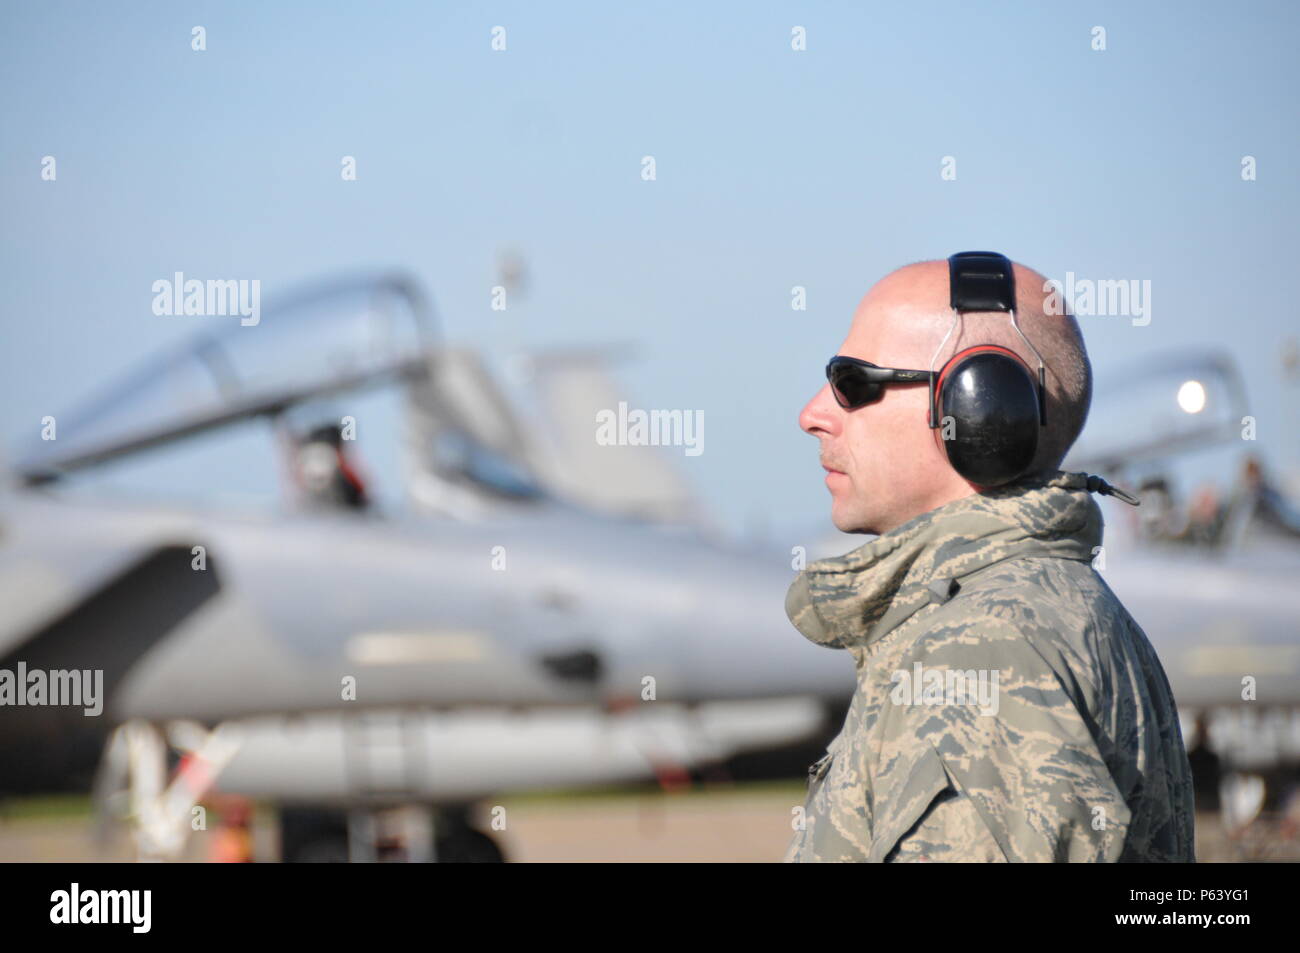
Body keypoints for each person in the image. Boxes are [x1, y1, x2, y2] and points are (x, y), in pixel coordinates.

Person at [783, 254, 1194, 862]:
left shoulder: (979, 649)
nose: (813, 415)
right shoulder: (1040, 608)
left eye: (853, 383)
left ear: (973, 408)